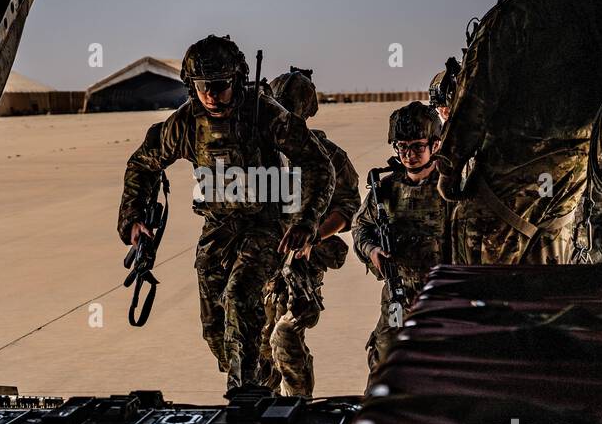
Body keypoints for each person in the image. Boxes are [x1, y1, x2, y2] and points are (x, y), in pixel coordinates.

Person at [117, 36, 335, 395]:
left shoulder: (264, 114)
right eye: (202, 87)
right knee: (214, 327)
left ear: (236, 80)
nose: (211, 95)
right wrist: (134, 218)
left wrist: (306, 223)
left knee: (240, 298)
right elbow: (143, 163)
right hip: (218, 227)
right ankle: (254, 373)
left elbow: (317, 163)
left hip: (266, 226)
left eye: (219, 86)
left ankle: (245, 396)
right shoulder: (186, 124)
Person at [435, 0, 602, 264]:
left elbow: (474, 101)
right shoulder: (597, 12)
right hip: (575, 176)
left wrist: (449, 166)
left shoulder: (512, 17)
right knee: (543, 287)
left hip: (511, 181)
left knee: (472, 283)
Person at [258, 68, 361, 398]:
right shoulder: (260, 153)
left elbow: (348, 209)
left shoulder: (328, 155)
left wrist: (313, 235)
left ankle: (296, 405)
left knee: (285, 336)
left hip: (303, 267)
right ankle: (262, 421)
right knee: (259, 353)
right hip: (263, 264)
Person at [352, 101, 451, 371]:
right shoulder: (385, 189)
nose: (408, 155)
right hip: (398, 298)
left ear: (436, 145)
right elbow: (360, 227)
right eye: (402, 147)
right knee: (385, 368)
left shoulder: (450, 189)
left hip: (444, 301)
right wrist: (372, 251)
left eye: (417, 146)